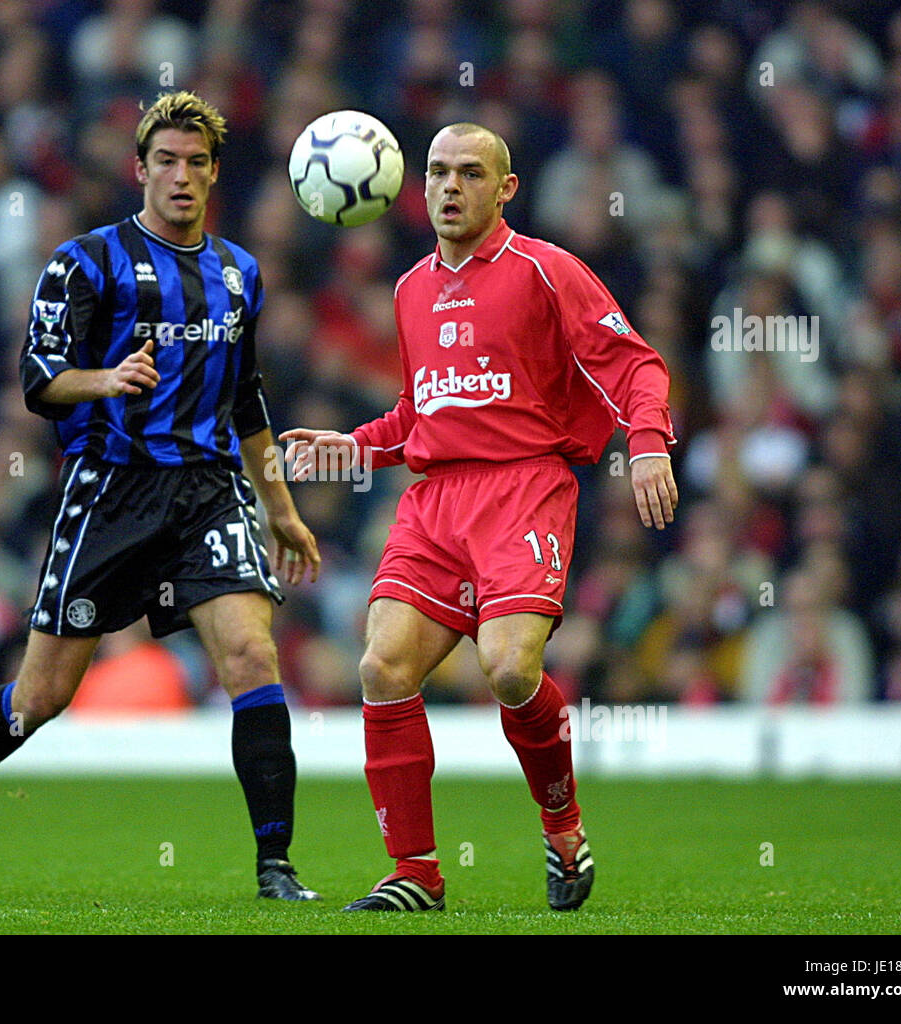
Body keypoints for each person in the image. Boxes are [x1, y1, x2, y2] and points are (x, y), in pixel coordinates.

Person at [0, 91, 324, 901]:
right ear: (139, 169)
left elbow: (246, 401)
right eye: (166, 161)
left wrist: (281, 507)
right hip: (111, 491)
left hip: (208, 490)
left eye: (196, 162)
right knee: (42, 698)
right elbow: (38, 378)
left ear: (213, 174)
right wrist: (107, 379)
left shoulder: (241, 273)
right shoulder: (85, 261)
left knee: (251, 655)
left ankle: (275, 865)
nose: (181, 176)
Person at [281, 123, 679, 912]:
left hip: (524, 488)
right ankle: (416, 874)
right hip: (433, 502)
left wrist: (649, 444)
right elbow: (421, 413)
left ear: (507, 189)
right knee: (381, 666)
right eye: (437, 172)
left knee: (508, 668)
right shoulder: (409, 290)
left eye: (470, 172)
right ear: (418, 186)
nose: (451, 186)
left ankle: (561, 823)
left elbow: (633, 363)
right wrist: (352, 447)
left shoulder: (546, 270)